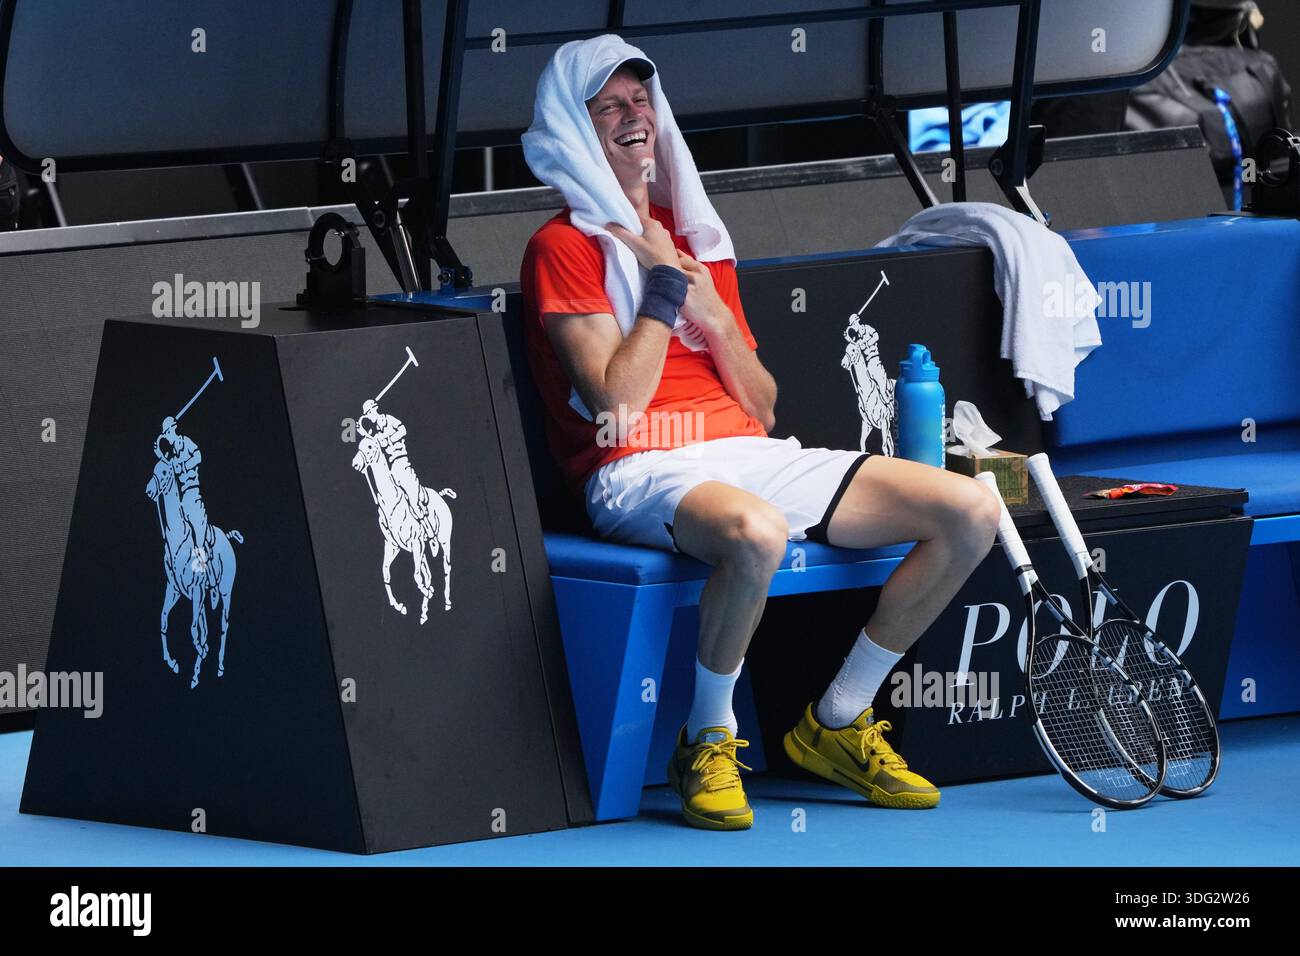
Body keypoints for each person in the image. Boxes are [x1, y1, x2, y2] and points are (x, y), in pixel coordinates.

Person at [520, 37, 1000, 830]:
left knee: (971, 511)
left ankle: (837, 722)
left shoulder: (697, 237)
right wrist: (665, 288)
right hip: (639, 466)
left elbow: (766, 408)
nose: (632, 117)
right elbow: (617, 405)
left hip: (747, 452)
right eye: (608, 108)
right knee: (756, 532)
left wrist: (706, 303)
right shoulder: (561, 248)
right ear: (578, 131)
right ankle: (708, 737)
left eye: (640, 101)